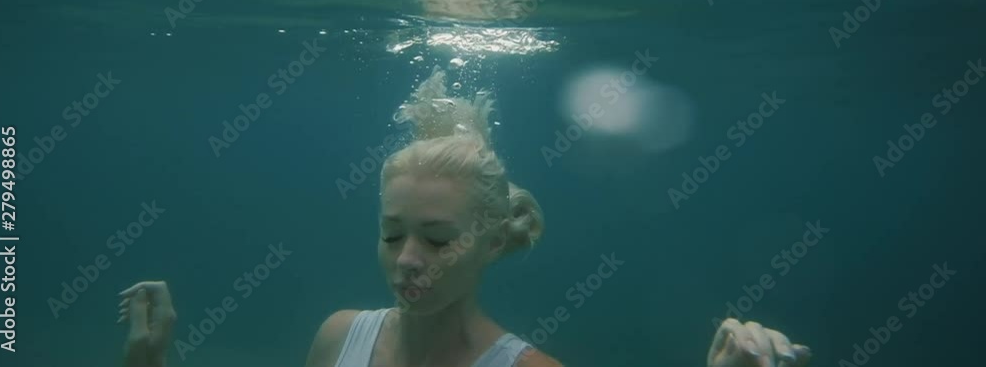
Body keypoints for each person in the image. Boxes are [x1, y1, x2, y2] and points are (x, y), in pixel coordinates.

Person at [117, 69, 813, 367]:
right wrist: (148, 362)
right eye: (391, 233)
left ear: (489, 241)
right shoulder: (339, 338)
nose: (407, 257)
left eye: (438, 237)